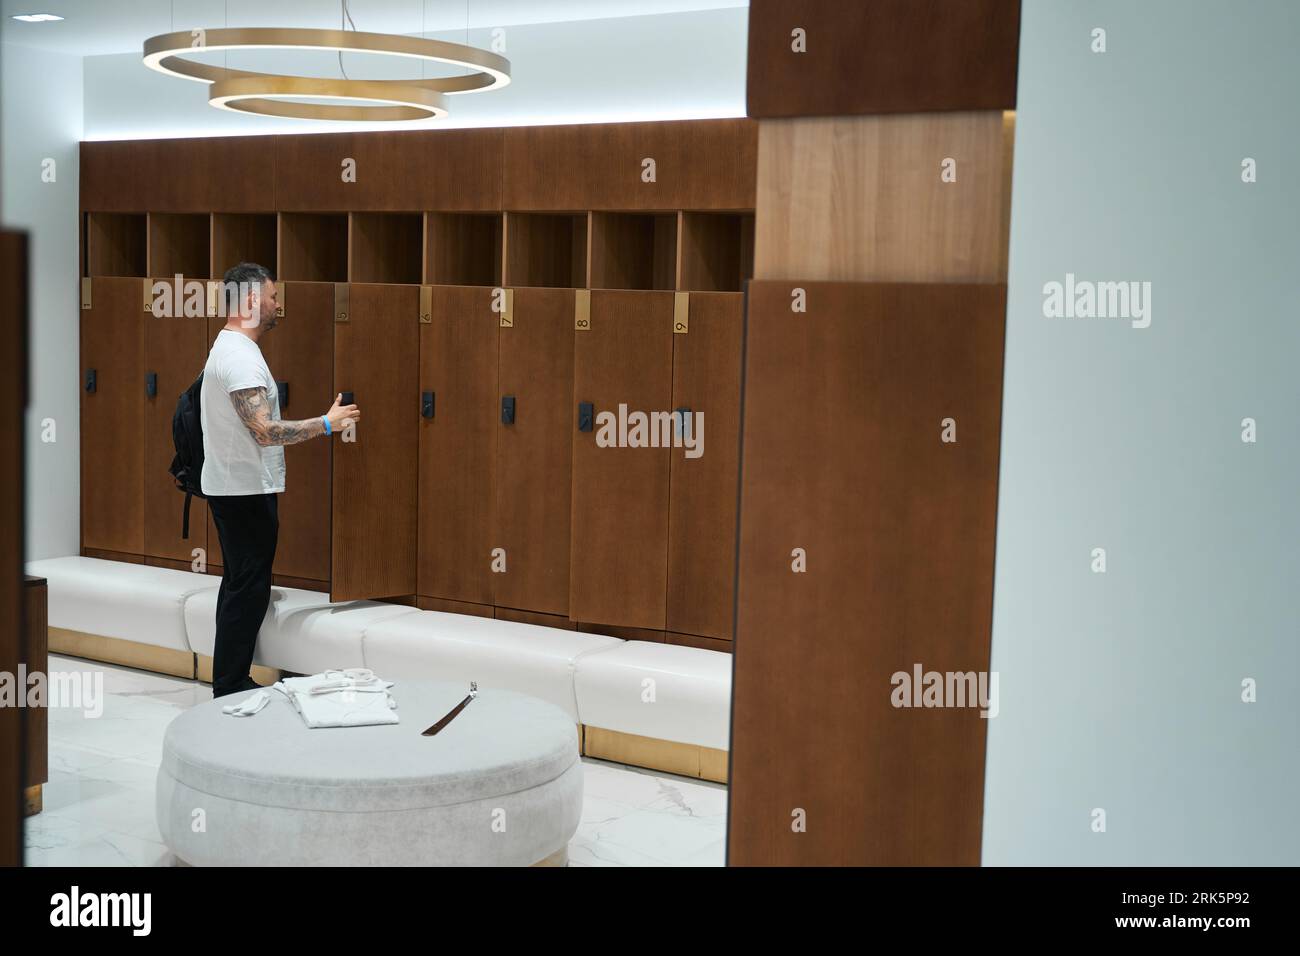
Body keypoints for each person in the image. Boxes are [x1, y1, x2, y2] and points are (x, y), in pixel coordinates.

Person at [201, 262, 359, 698]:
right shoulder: (238, 357)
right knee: (246, 588)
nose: (276, 304)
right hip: (242, 491)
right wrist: (326, 424)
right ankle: (231, 685)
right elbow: (265, 431)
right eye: (272, 296)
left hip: (239, 487)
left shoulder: (234, 348)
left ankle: (230, 679)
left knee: (241, 584)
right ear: (251, 300)